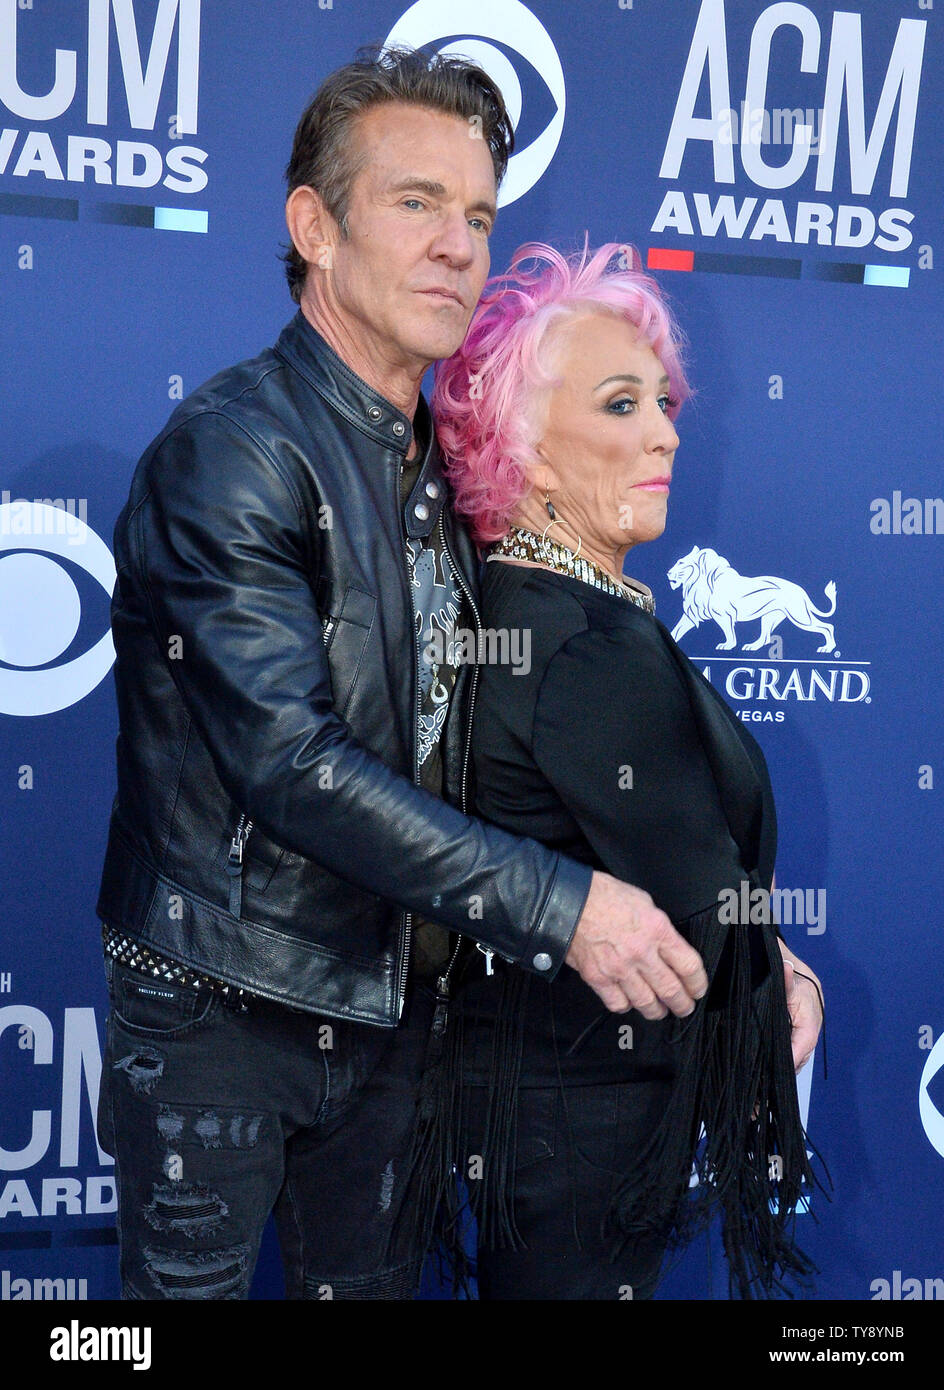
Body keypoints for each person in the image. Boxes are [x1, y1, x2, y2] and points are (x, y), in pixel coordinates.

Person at [95, 51, 711, 1302]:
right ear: (314, 228)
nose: (457, 246)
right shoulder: (234, 452)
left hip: (400, 1015)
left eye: (478, 215)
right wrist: (562, 907)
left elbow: (516, 742)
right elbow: (292, 765)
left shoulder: (453, 466)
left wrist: (729, 934)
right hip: (224, 1009)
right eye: (415, 203)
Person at [429, 240, 825, 1300]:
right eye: (620, 405)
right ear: (530, 451)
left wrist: (763, 955)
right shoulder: (583, 639)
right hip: (582, 1121)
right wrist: (775, 982)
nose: (664, 432)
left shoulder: (528, 610)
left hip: (546, 1111)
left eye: (665, 403)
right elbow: (697, 890)